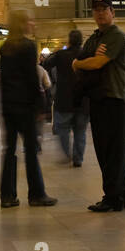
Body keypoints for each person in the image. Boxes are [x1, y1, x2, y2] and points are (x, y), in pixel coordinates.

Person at [73, 0, 125, 212]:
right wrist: (83, 61)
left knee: (112, 152)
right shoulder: (95, 37)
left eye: (104, 9)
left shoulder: (116, 35)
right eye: (96, 9)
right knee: (106, 151)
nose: (99, 13)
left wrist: (83, 62)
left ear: (112, 12)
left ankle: (112, 198)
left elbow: (95, 62)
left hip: (113, 99)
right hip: (98, 98)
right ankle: (123, 194)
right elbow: (79, 60)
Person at [0, 10, 55, 208]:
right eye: (30, 20)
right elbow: (32, 80)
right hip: (26, 107)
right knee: (30, 151)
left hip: (9, 107)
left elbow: (3, 81)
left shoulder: (5, 47)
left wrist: (3, 107)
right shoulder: (28, 46)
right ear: (22, 24)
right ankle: (37, 194)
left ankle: (7, 196)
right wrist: (40, 107)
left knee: (9, 151)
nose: (32, 23)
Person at [44, 29, 88, 166]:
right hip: (83, 100)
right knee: (80, 131)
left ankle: (67, 153)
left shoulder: (61, 55)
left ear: (69, 40)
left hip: (64, 99)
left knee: (63, 130)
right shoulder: (86, 54)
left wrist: (56, 51)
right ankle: (78, 159)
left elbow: (46, 64)